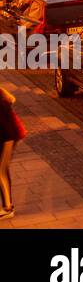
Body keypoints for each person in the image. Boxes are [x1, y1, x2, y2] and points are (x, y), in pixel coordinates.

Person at [0, 85, 25, 220]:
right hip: (6, 136)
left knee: (1, 170)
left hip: (7, 137)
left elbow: (11, 99)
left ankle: (8, 208)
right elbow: (12, 98)